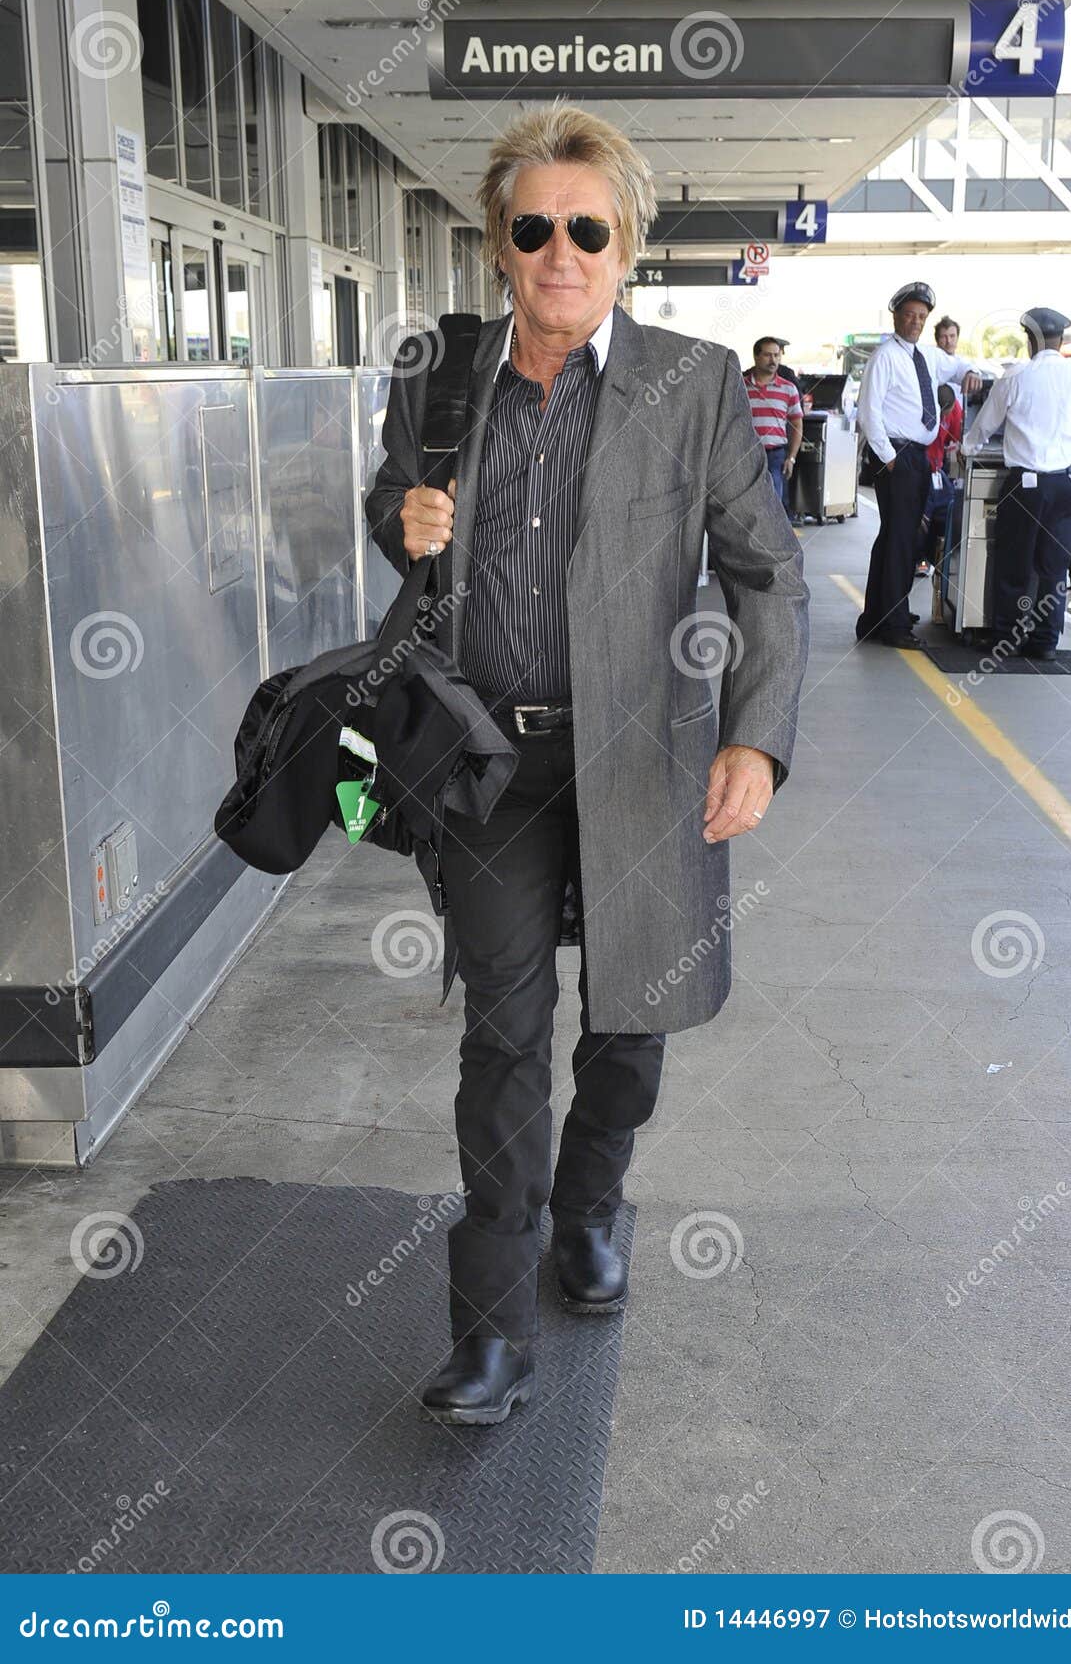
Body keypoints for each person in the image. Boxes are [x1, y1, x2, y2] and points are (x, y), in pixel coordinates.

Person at [367, 103, 809, 1428]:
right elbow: (399, 535)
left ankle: (592, 1198)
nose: (559, 253)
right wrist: (406, 526)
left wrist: (754, 733)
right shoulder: (436, 378)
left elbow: (764, 574)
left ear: (624, 245)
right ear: (499, 243)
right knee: (502, 1039)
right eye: (533, 228)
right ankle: (488, 1328)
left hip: (645, 764)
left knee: (628, 1024)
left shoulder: (691, 383)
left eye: (587, 229)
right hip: (490, 763)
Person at [962, 306, 1071, 659]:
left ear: (1029, 339)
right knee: (1054, 566)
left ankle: (1008, 638)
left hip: (1025, 486)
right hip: (1065, 485)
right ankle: (1045, 642)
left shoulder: (1015, 376)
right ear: (1061, 340)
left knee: (1015, 563)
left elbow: (983, 427)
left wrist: (966, 448)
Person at [855, 280, 980, 647]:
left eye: (921, 316)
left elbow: (958, 366)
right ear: (896, 316)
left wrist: (970, 371)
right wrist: (890, 459)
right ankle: (892, 625)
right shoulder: (885, 356)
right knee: (901, 540)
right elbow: (868, 412)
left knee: (897, 538)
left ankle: (878, 616)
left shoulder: (924, 356)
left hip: (917, 455)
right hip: (897, 455)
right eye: (909, 315)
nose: (915, 322)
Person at [742, 336, 804, 507]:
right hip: (745, 455)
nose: (773, 360)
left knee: (773, 505)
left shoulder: (789, 388)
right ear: (756, 356)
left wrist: (791, 458)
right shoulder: (740, 386)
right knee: (746, 505)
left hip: (775, 456)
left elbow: (797, 425)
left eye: (777, 355)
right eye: (768, 355)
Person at [915, 384, 963, 581]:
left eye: (947, 414)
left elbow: (956, 437)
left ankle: (940, 559)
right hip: (920, 469)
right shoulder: (922, 410)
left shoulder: (955, 410)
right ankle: (919, 559)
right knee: (921, 519)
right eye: (942, 415)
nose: (944, 419)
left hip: (938, 471)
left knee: (947, 512)